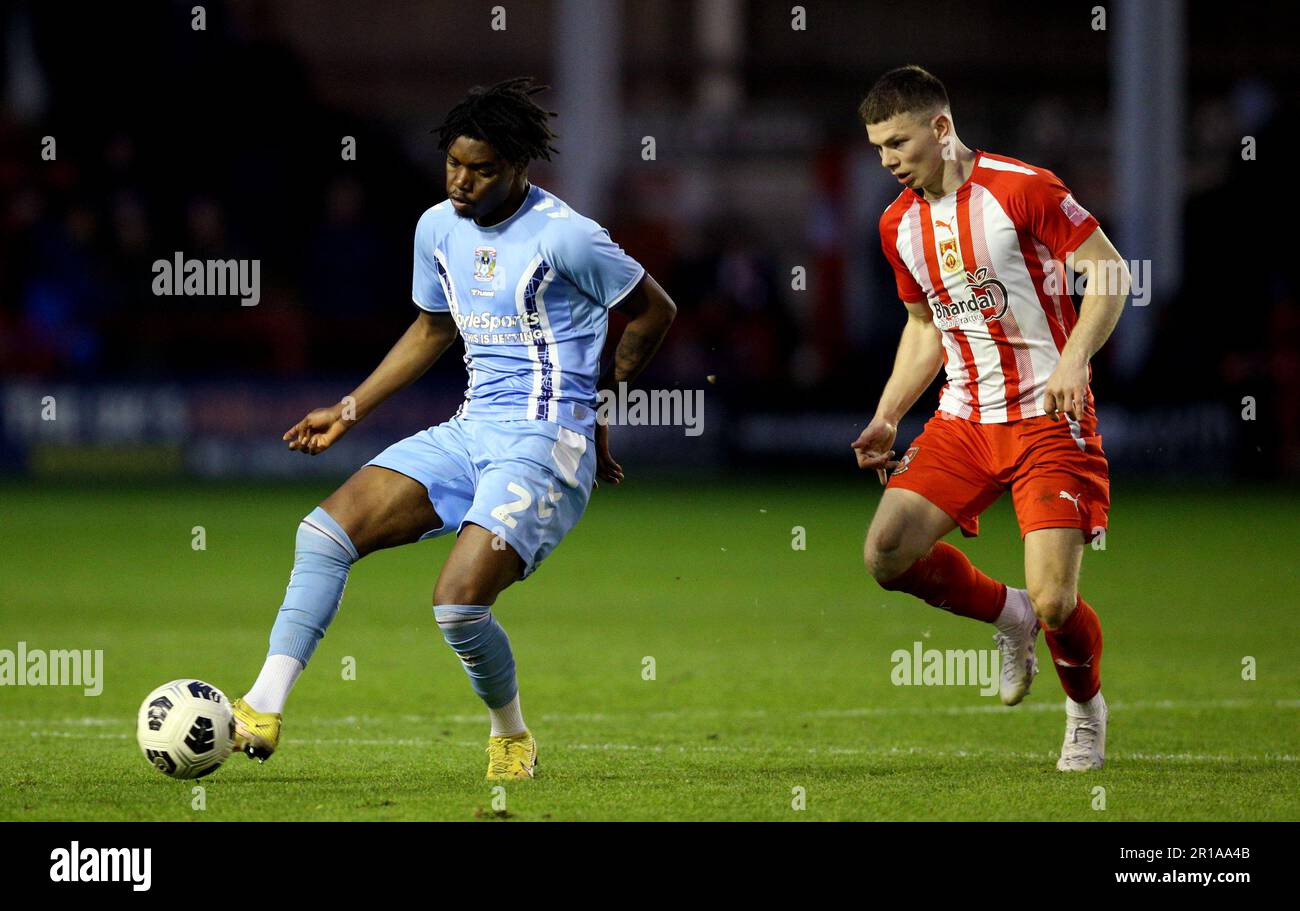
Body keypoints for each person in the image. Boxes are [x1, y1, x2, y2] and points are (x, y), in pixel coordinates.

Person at [231, 77, 677, 780]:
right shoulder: (436, 227)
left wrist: (600, 402)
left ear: (521, 166)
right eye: (455, 165)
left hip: (543, 445)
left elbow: (655, 310)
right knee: (321, 533)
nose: (463, 182)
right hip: (470, 431)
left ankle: (511, 735)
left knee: (457, 607)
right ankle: (260, 704)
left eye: (483, 169)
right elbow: (432, 327)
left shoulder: (568, 236)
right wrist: (350, 409)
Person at [851, 65, 1130, 771]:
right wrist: (888, 414)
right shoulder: (897, 226)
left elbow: (1111, 273)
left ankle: (1084, 709)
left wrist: (1073, 360)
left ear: (941, 128)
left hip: (1046, 415)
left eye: (898, 142)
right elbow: (924, 329)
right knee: (885, 554)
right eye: (878, 146)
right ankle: (1009, 616)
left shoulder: (1022, 188)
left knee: (1059, 601)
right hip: (964, 420)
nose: (887, 159)